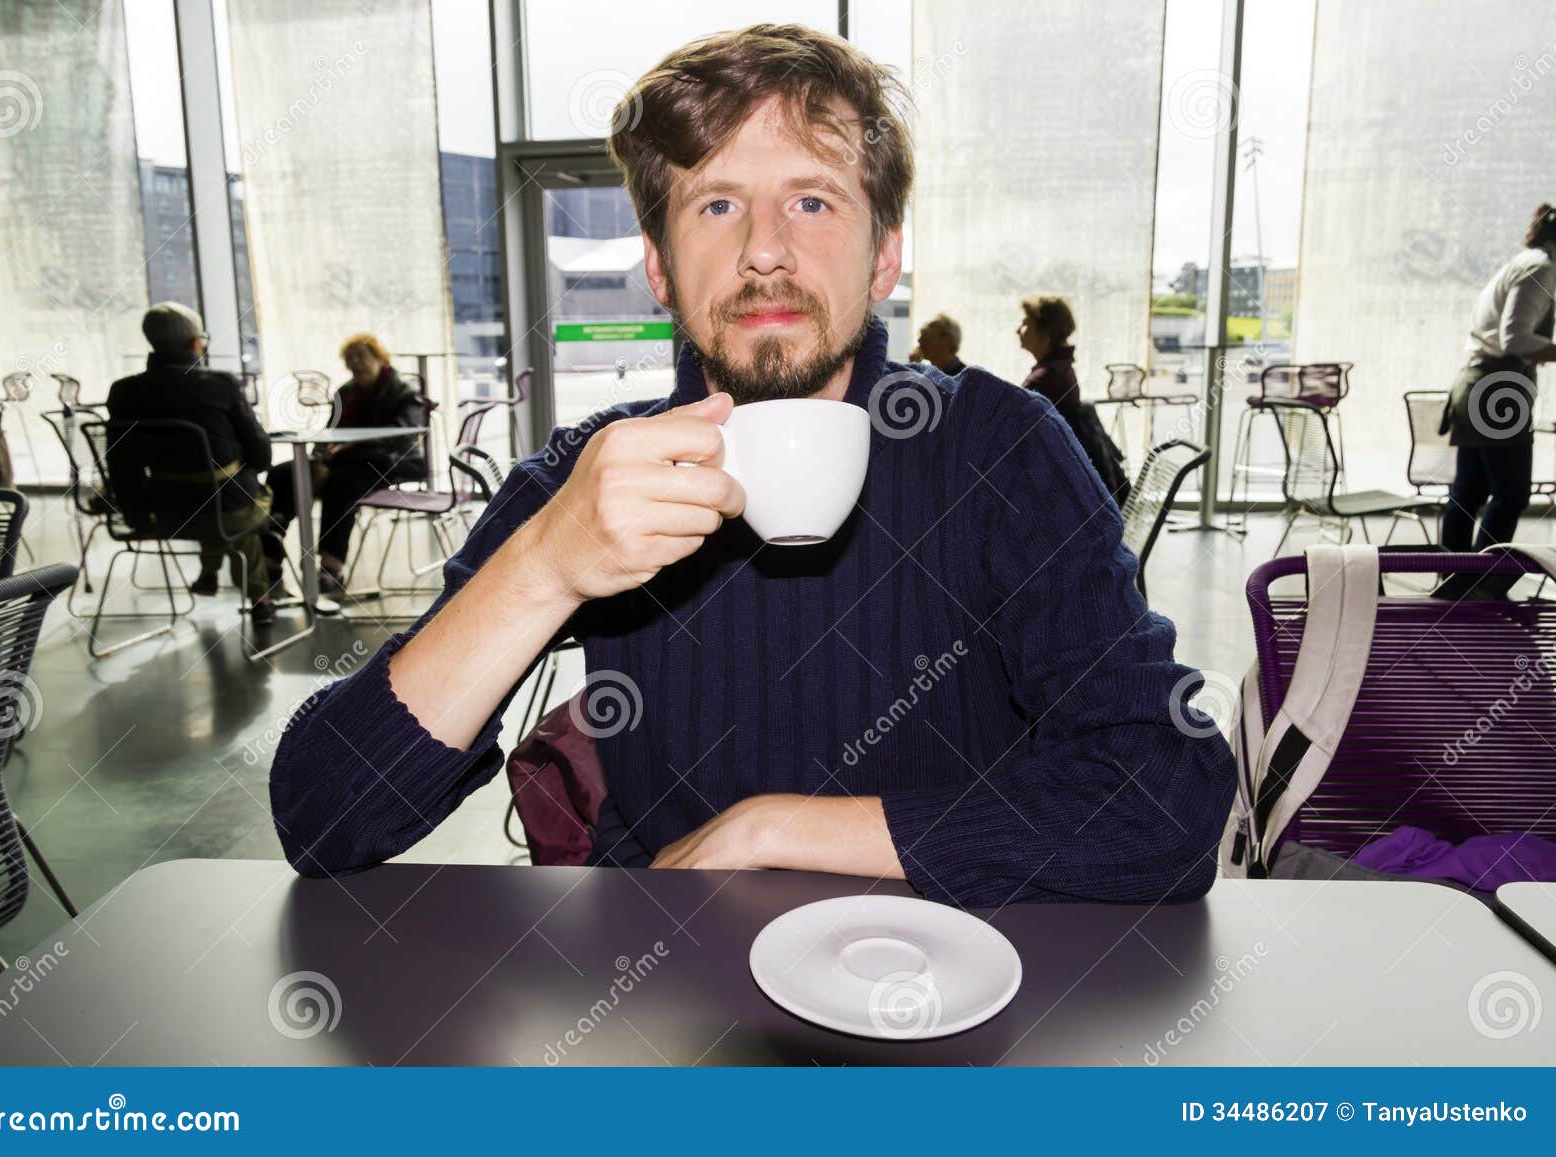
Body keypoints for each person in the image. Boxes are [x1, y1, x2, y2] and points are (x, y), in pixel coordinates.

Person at [269, 24, 1235, 906]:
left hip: (946, 995)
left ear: (883, 255)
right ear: (658, 265)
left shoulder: (999, 447)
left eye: (812, 200)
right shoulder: (592, 474)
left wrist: (771, 830)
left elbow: (1170, 793)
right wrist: (545, 567)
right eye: (717, 202)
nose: (764, 251)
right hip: (671, 994)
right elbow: (322, 815)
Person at [106, 302, 277, 626]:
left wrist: (137, 515)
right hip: (226, 511)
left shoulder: (124, 391)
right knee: (244, 507)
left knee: (212, 495)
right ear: (194, 343)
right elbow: (261, 456)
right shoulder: (221, 384)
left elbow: (121, 465)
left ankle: (209, 572)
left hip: (163, 513)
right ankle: (260, 600)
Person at [263, 333, 427, 595]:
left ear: (379, 357)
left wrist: (347, 451)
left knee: (340, 484)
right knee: (283, 474)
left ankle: (331, 568)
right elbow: (328, 434)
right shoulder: (346, 392)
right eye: (350, 358)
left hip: (385, 463)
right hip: (339, 463)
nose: (355, 363)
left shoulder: (404, 393)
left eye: (361, 356)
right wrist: (318, 461)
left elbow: (401, 435)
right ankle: (270, 556)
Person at [1439, 203, 1556, 561]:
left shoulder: (1523, 263)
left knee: (1469, 491)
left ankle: (1456, 577)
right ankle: (1483, 581)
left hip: (1479, 384)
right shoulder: (1541, 268)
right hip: (1498, 389)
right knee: (1511, 493)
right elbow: (1515, 340)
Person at [1016, 295, 1129, 505]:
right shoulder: (1059, 369)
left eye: (1025, 324)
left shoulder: (1045, 378)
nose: (1018, 330)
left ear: (1046, 333)